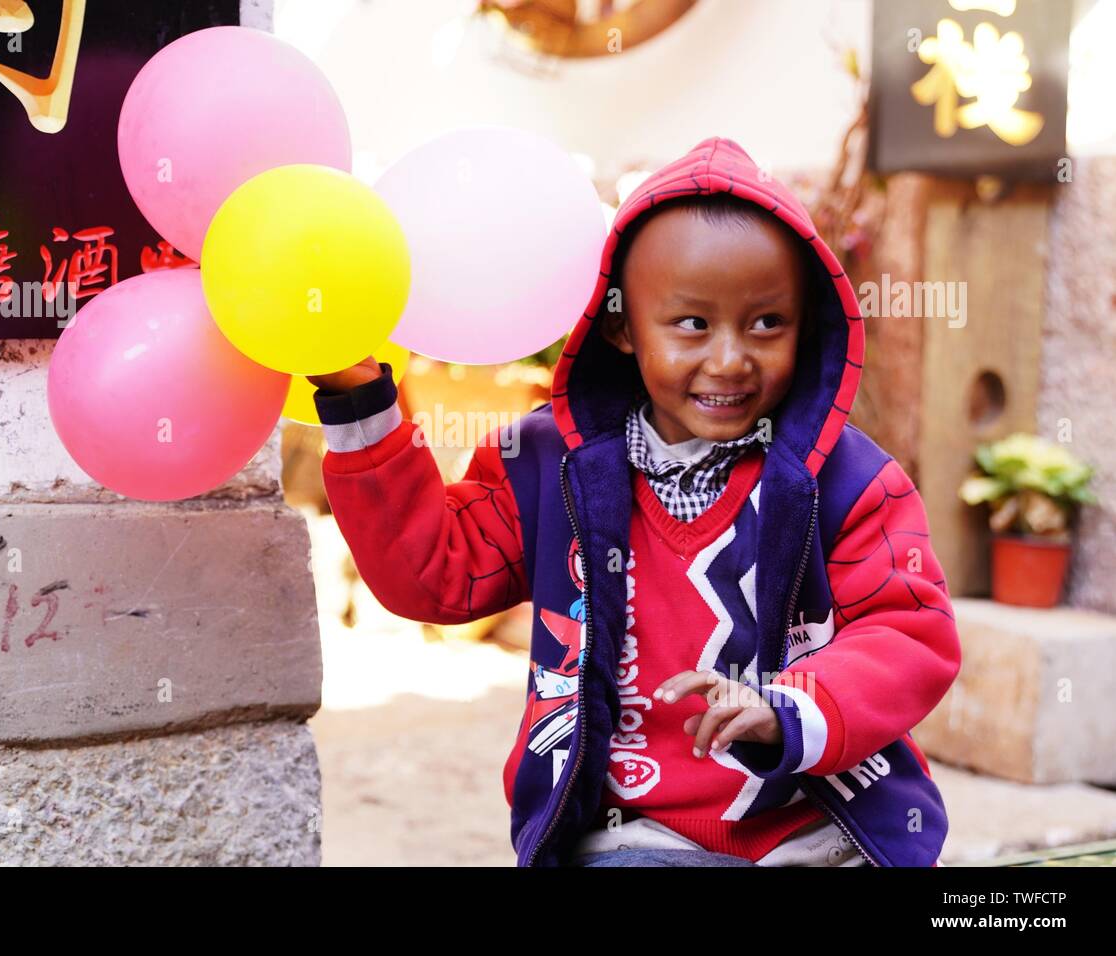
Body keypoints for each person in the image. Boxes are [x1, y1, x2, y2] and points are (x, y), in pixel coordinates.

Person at [306, 136, 961, 868]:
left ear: (807, 324)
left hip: (818, 831)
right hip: (638, 836)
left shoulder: (847, 480)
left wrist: (789, 706)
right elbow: (435, 571)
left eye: (766, 322)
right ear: (620, 325)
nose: (730, 358)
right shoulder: (548, 465)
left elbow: (908, 631)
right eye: (692, 324)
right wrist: (357, 403)